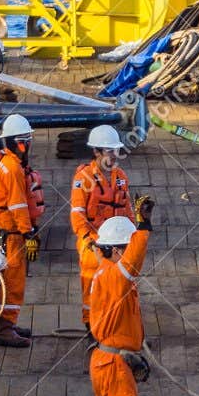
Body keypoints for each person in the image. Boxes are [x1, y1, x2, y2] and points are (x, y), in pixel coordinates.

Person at [87, 196, 159, 396]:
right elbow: (134, 261)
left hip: (107, 360)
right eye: (125, 247)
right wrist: (143, 227)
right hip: (114, 365)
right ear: (117, 249)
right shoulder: (115, 275)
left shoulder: (104, 274)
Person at [0, 114, 44, 348]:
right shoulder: (12, 169)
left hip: (5, 234)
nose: (27, 145)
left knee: (10, 281)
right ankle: (5, 330)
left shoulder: (6, 163)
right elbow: (18, 205)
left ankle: (8, 323)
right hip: (11, 237)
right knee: (12, 282)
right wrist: (29, 232)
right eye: (25, 140)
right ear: (18, 142)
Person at [70, 124, 135, 328]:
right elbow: (77, 213)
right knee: (92, 285)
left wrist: (134, 234)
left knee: (118, 285)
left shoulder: (121, 177)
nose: (114, 155)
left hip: (118, 244)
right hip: (94, 243)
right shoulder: (83, 179)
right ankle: (92, 326)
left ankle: (116, 324)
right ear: (96, 151)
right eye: (109, 151)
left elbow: (127, 209)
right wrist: (89, 240)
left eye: (116, 150)